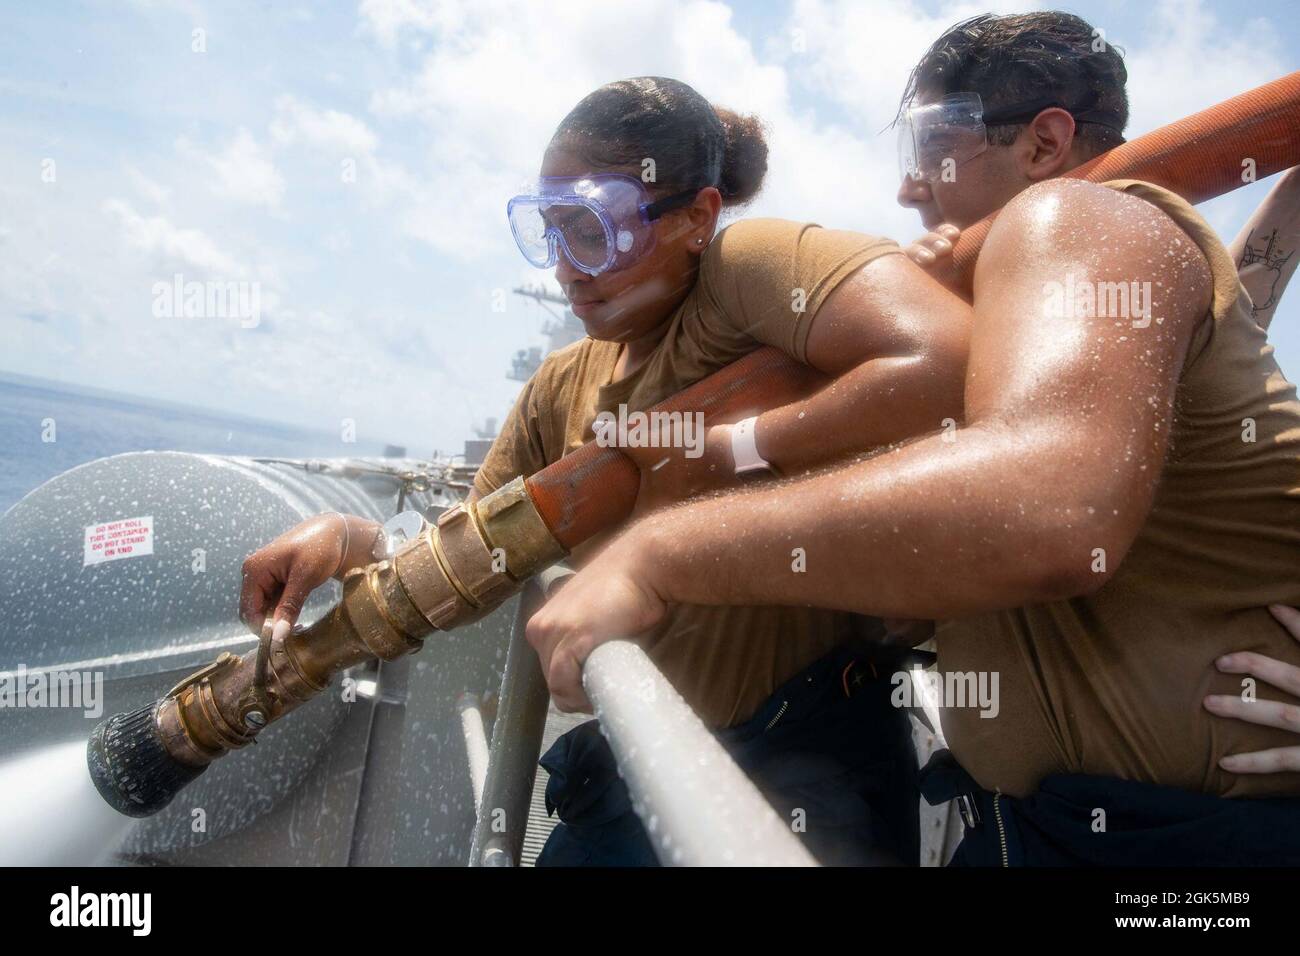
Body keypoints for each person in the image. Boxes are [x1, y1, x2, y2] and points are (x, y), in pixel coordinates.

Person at [526, 13, 1300, 865]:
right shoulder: (1050, 308)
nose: (908, 193)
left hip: (1177, 848)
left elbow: (1046, 508)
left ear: (1044, 145)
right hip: (1050, 827)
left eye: (932, 151)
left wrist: (658, 553)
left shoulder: (1079, 219)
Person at [239, 75, 975, 866]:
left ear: (696, 218)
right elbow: (475, 552)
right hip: (630, 773)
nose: (566, 268)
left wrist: (738, 445)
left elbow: (941, 360)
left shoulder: (740, 273)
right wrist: (349, 539)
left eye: (593, 232)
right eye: (549, 231)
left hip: (807, 772)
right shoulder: (561, 384)